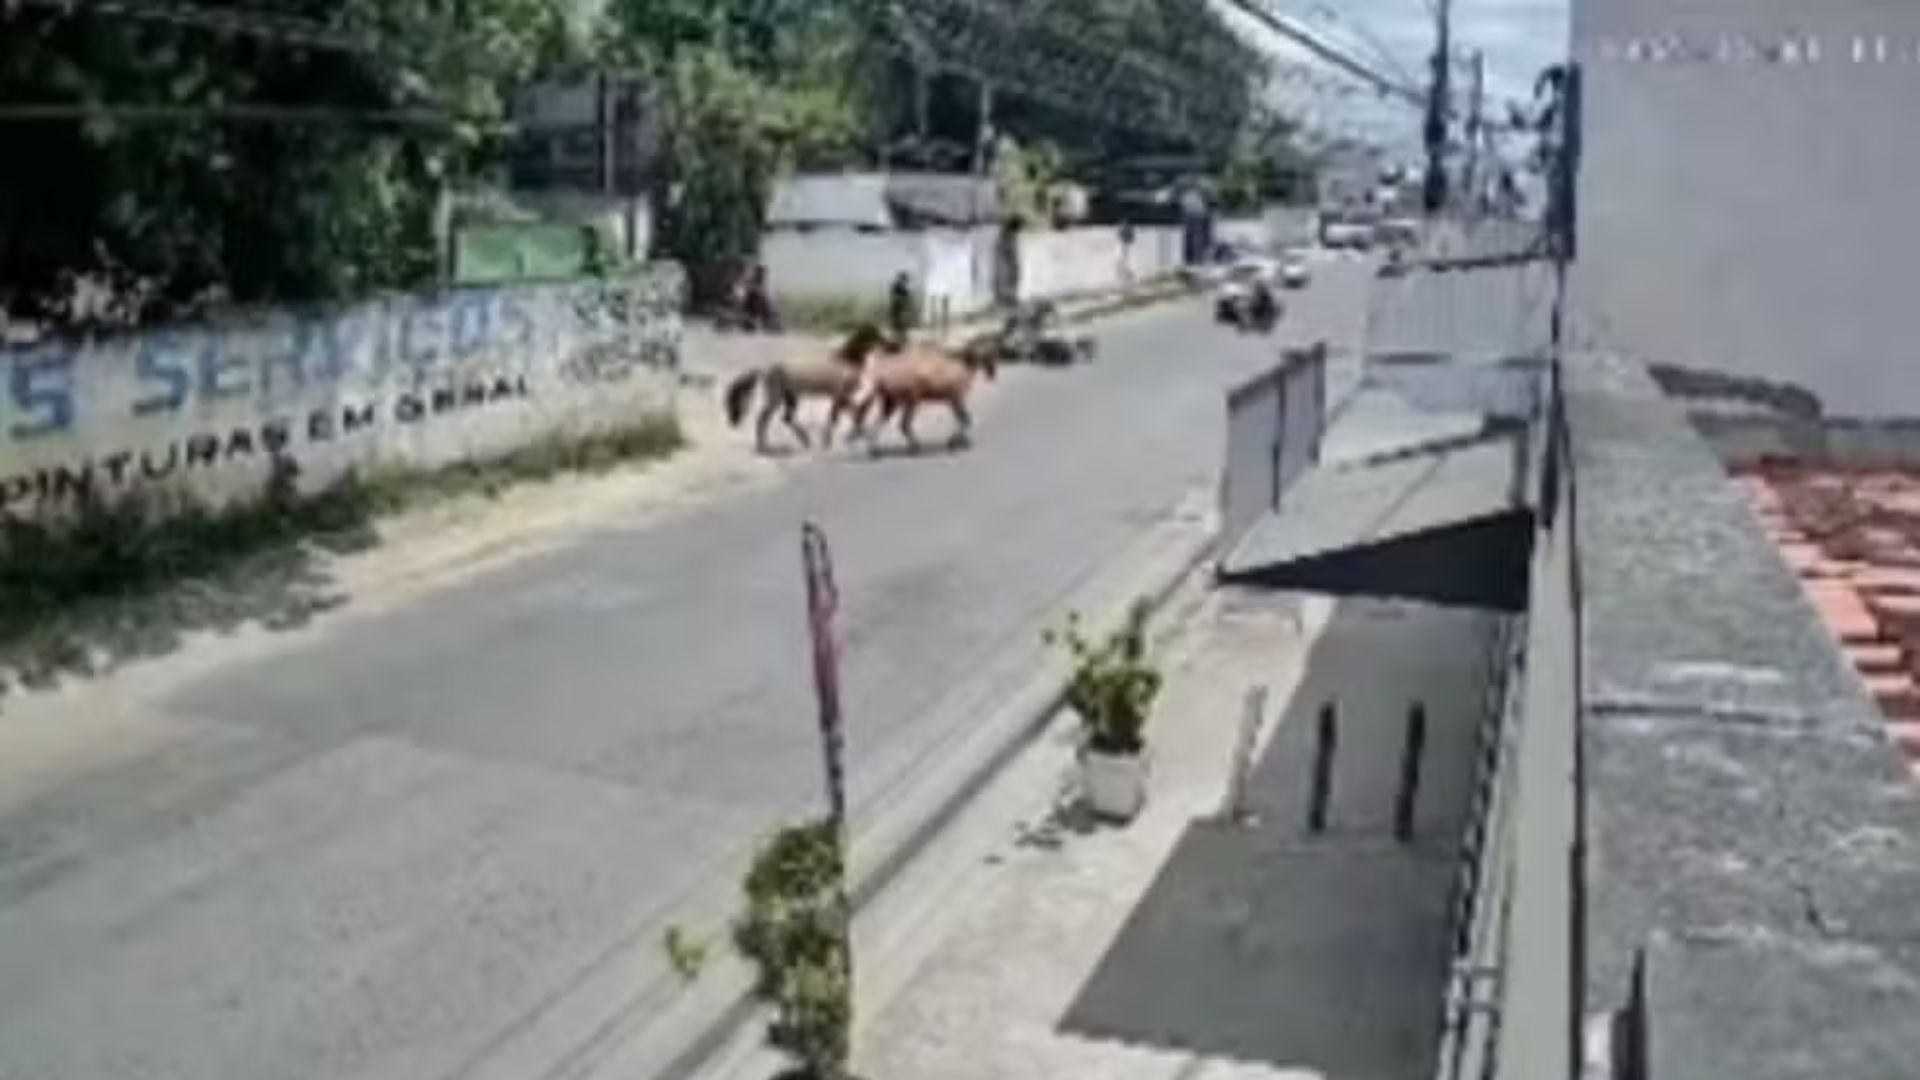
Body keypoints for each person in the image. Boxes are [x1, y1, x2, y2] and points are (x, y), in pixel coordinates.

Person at [888, 271, 916, 347]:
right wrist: (902, 300)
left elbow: (908, 299)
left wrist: (907, 305)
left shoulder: (905, 289)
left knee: (903, 324)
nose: (906, 282)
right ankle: (896, 339)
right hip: (897, 308)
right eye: (905, 279)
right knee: (896, 324)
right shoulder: (896, 286)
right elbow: (894, 297)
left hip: (902, 309)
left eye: (906, 280)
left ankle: (902, 338)